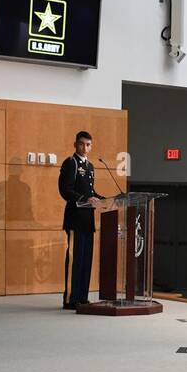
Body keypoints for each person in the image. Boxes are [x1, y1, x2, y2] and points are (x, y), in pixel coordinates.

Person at [59, 130, 106, 310]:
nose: (84, 148)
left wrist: (104, 200)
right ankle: (71, 298)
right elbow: (65, 190)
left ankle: (82, 297)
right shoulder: (70, 163)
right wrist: (85, 199)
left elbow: (91, 193)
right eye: (81, 144)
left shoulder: (91, 166)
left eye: (88, 145)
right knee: (75, 259)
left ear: (91, 146)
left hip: (88, 221)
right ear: (75, 144)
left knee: (86, 259)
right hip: (75, 219)